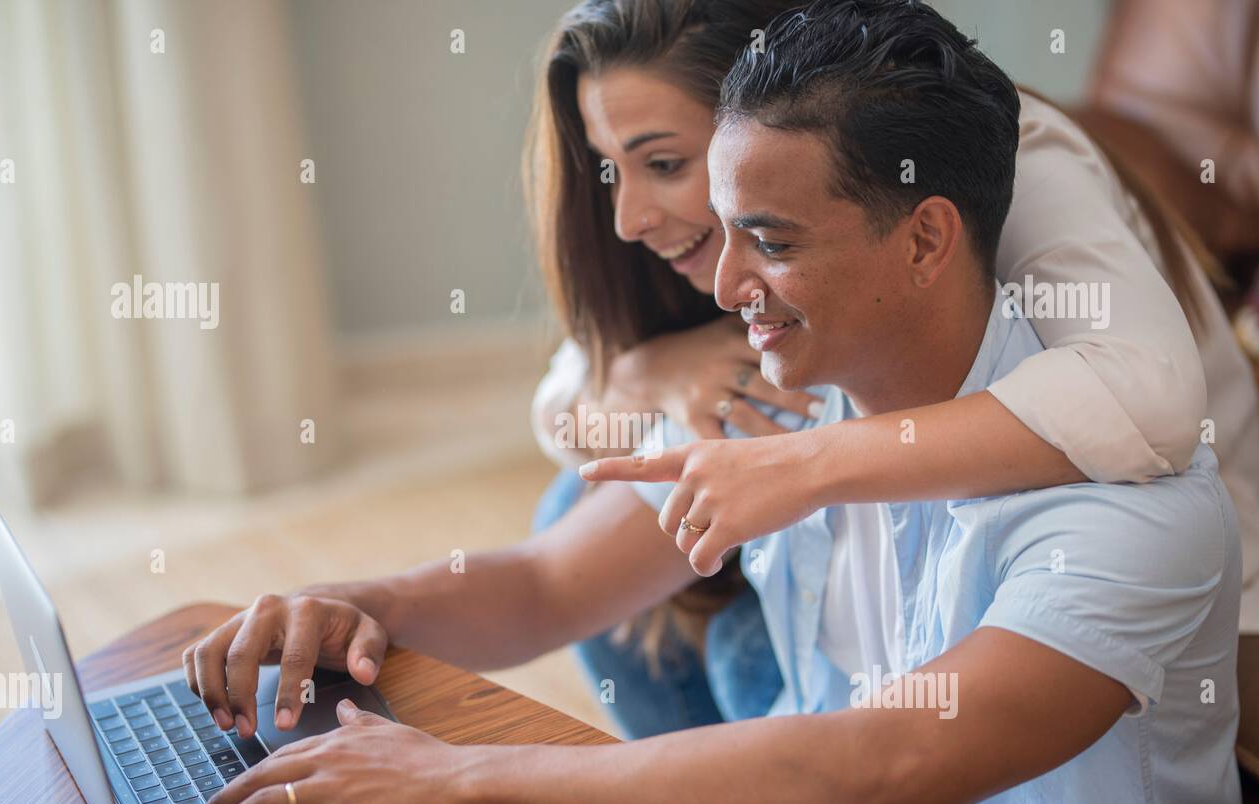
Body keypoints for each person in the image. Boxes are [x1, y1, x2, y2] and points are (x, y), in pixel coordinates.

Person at [184, 0, 1241, 804]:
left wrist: (456, 780)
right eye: (726, 229)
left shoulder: (1123, 505)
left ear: (924, 240)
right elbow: (550, 584)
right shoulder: (802, 382)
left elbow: (868, 784)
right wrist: (358, 605)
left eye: (768, 241)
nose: (724, 285)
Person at [524, 0, 1259, 744]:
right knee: (581, 505)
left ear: (769, 106)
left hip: (1177, 590)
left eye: (665, 164)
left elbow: (1149, 401)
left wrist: (803, 465)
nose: (628, 219)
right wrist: (650, 369)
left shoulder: (1011, 161)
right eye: (610, 169)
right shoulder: (682, 224)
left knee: (745, 650)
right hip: (930, 521)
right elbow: (559, 404)